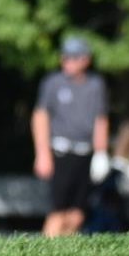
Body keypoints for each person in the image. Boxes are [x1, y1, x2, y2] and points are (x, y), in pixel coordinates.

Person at [31, 35, 109, 238]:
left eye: (73, 58)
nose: (67, 62)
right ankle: (44, 255)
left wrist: (101, 153)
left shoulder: (95, 85)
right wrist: (42, 153)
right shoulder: (53, 83)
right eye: (65, 57)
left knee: (76, 214)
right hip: (60, 152)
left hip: (84, 153)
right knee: (58, 211)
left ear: (85, 60)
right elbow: (40, 117)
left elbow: (101, 119)